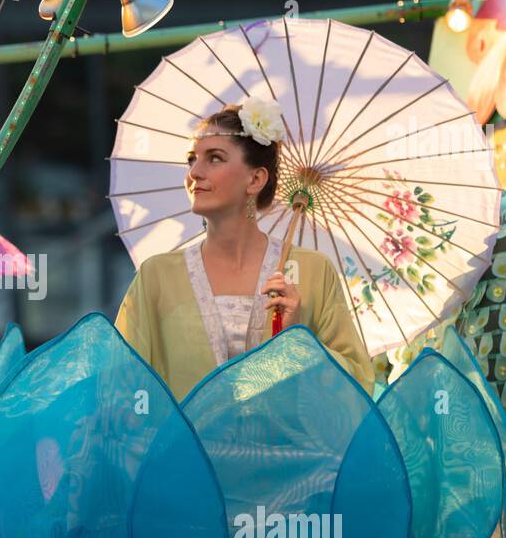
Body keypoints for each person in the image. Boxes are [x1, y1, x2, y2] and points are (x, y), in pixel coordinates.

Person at [115, 102, 375, 398]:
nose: (195, 173)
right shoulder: (156, 276)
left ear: (255, 179)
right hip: (185, 446)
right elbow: (123, 384)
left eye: (214, 158)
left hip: (286, 445)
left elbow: (358, 385)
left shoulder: (313, 271)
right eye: (191, 160)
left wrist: (300, 341)